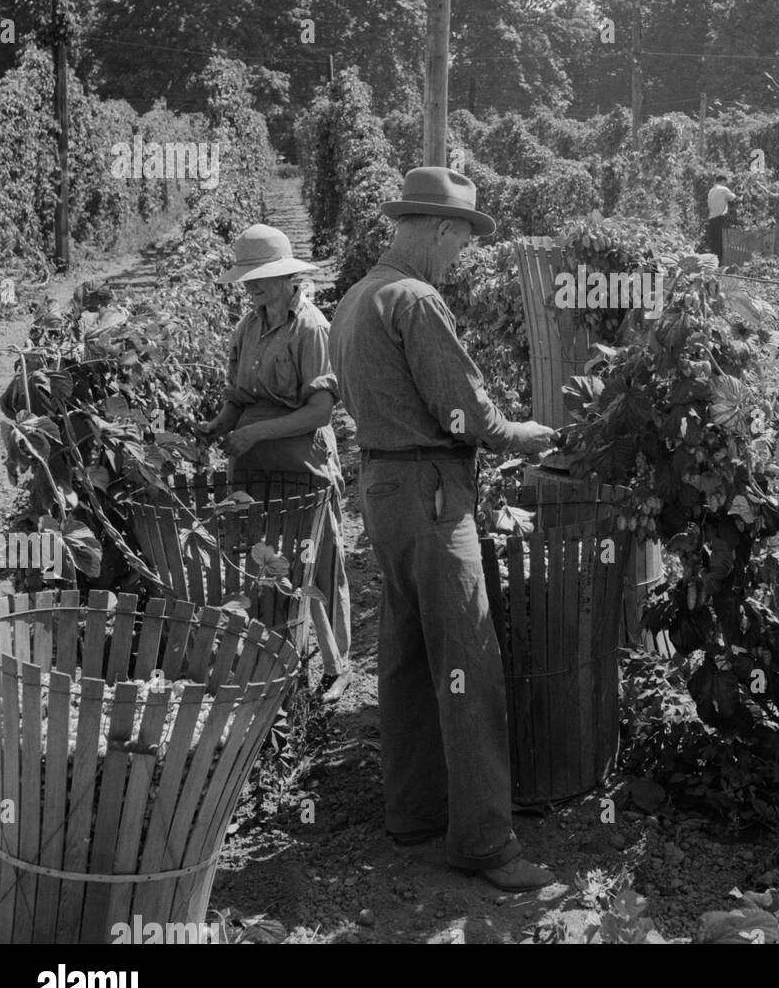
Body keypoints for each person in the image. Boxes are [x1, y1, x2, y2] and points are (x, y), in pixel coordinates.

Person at [328, 167, 556, 892]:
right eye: (459, 241)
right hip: (431, 494)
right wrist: (526, 434)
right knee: (470, 660)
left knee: (402, 653)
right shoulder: (415, 299)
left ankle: (414, 812)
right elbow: (466, 412)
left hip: (381, 488)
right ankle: (486, 842)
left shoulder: (355, 298)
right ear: (434, 229)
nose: (459, 258)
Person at [200, 224, 352, 702]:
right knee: (260, 559)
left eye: (261, 277)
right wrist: (217, 426)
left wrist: (255, 432)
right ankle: (276, 657)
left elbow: (320, 411)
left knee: (313, 560)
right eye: (248, 278)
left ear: (289, 279)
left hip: (301, 464)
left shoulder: (311, 328)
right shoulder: (247, 327)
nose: (252, 286)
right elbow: (238, 398)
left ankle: (335, 664)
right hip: (251, 466)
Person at [703, 171, 736, 265]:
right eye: (725, 182)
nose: (726, 184)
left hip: (711, 218)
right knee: (721, 241)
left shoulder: (711, 191)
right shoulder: (723, 189)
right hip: (720, 218)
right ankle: (720, 263)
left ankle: (712, 263)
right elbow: (733, 198)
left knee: (713, 241)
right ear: (722, 181)